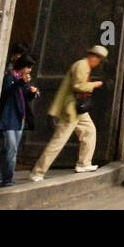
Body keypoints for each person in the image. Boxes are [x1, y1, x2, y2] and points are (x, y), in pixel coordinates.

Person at [30, 44, 106, 180]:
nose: (98, 62)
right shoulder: (82, 65)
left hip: (78, 109)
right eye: (99, 59)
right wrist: (94, 85)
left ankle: (84, 163)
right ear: (94, 57)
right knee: (58, 141)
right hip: (71, 109)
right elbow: (78, 86)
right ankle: (38, 172)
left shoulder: (85, 66)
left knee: (89, 131)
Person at [0, 53, 38, 187]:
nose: (29, 71)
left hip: (19, 120)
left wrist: (32, 92)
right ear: (21, 66)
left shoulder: (22, 79)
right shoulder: (9, 77)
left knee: (10, 150)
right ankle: (5, 179)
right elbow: (7, 93)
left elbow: (24, 96)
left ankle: (1, 178)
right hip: (8, 118)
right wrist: (21, 82)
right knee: (9, 150)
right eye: (28, 67)